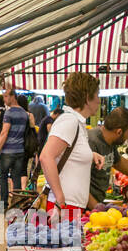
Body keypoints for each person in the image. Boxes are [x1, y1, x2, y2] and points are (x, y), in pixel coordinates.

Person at [40, 72, 98, 212]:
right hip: (63, 207)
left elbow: (69, 153)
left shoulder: (77, 122)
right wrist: (60, 197)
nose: (99, 100)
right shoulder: (70, 121)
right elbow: (46, 157)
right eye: (97, 94)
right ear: (87, 98)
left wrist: (92, 155)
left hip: (69, 206)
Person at [87, 106, 128, 207]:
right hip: (82, 209)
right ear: (119, 132)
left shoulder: (109, 142)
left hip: (96, 204)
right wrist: (98, 209)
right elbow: (79, 185)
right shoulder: (91, 142)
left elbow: (119, 162)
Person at [0, 89, 35, 200]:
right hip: (20, 151)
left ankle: (3, 204)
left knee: (3, 177)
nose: (4, 99)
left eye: (6, 96)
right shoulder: (24, 113)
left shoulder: (9, 112)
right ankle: (16, 204)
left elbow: (4, 133)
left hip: (7, 151)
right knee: (16, 178)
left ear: (13, 96)